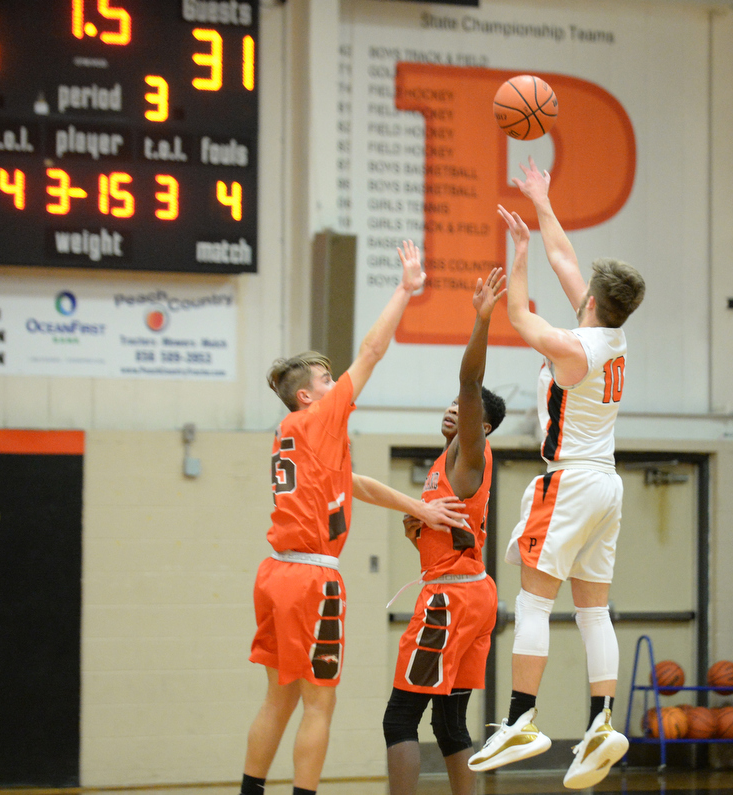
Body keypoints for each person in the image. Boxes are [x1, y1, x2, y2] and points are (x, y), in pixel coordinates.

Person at [240, 240, 471, 795]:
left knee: (279, 696)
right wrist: (405, 289)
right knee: (321, 701)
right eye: (324, 378)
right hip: (310, 578)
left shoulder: (294, 435)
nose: (334, 381)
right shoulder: (318, 417)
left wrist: (420, 507)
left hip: (274, 573)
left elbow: (355, 483)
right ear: (304, 395)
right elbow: (370, 351)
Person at [467, 157, 646, 790]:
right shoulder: (611, 339)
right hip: (608, 486)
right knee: (594, 611)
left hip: (568, 480)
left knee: (533, 600)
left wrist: (517, 251)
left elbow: (519, 317)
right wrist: (542, 203)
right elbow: (568, 259)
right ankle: (601, 722)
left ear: (592, 304)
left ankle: (523, 719)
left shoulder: (574, 348)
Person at [382, 268, 508, 795]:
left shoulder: (471, 455)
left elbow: (469, 381)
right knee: (450, 724)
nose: (455, 409)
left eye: (467, 410)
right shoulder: (445, 464)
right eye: (453, 406)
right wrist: (419, 528)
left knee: (399, 720)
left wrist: (481, 320)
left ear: (483, 425)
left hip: (452, 599)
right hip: (472, 593)